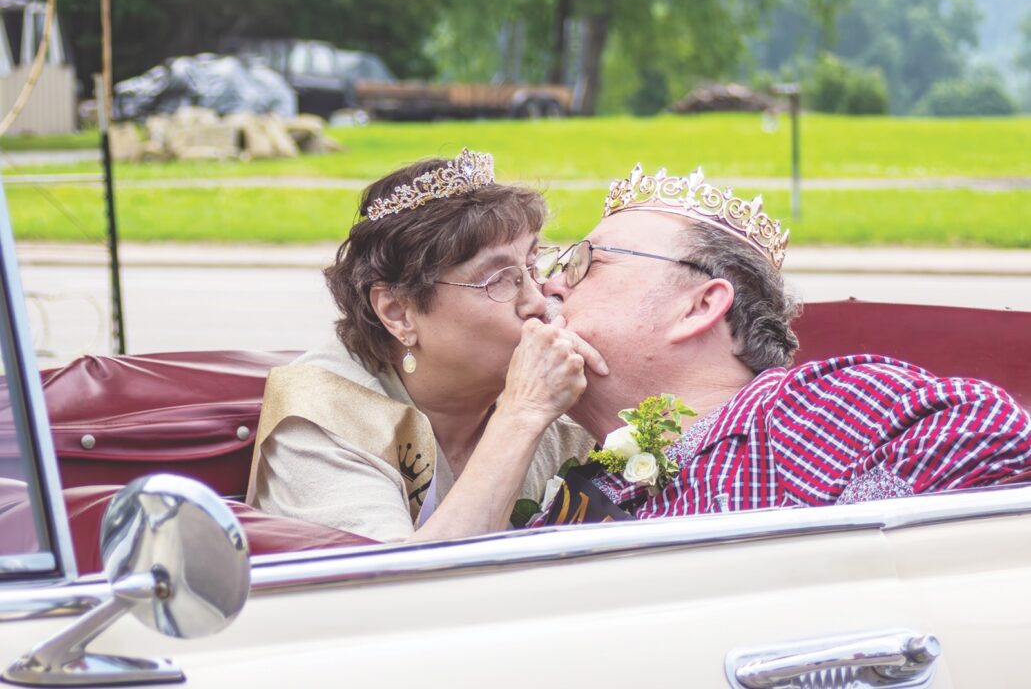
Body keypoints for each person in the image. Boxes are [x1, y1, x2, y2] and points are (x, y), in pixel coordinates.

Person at [529, 164, 1031, 522]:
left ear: (699, 307)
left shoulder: (788, 413)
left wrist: (826, 560)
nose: (550, 285)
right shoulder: (584, 481)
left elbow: (988, 428)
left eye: (586, 262)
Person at [246, 149, 601, 542]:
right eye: (499, 278)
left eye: (534, 265)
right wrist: (522, 416)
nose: (537, 302)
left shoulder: (561, 390)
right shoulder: (321, 418)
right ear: (398, 312)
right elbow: (405, 590)